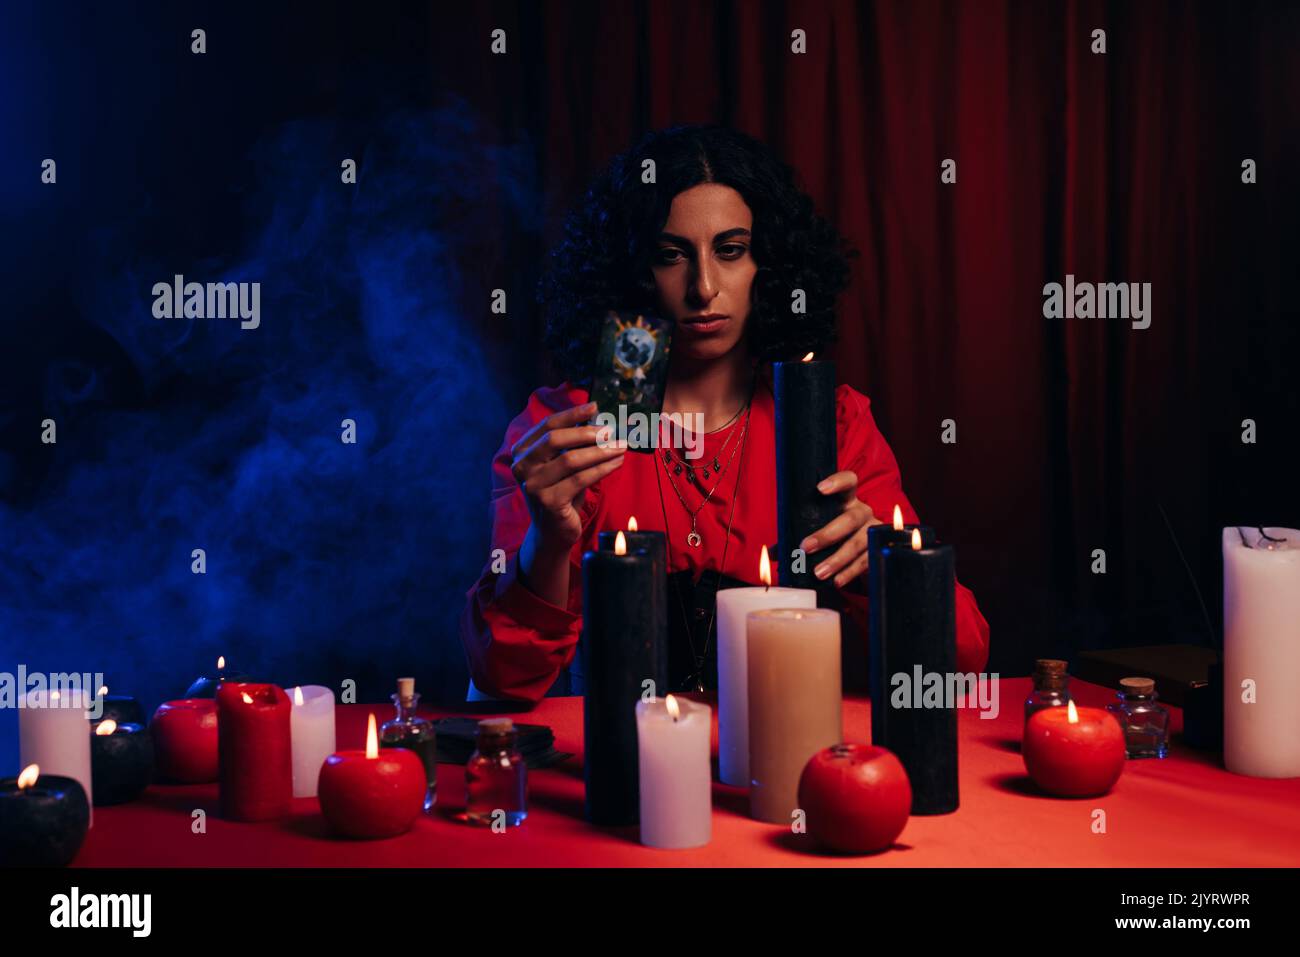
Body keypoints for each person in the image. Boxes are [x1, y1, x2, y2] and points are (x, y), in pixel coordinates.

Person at [460, 124, 989, 703]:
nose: (704, 287)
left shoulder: (832, 425)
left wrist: (885, 565)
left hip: (784, 761)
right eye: (670, 256)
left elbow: (960, 662)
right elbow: (502, 680)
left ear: (771, 265)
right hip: (621, 766)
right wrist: (549, 540)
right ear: (634, 272)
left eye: (731, 251)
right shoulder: (567, 428)